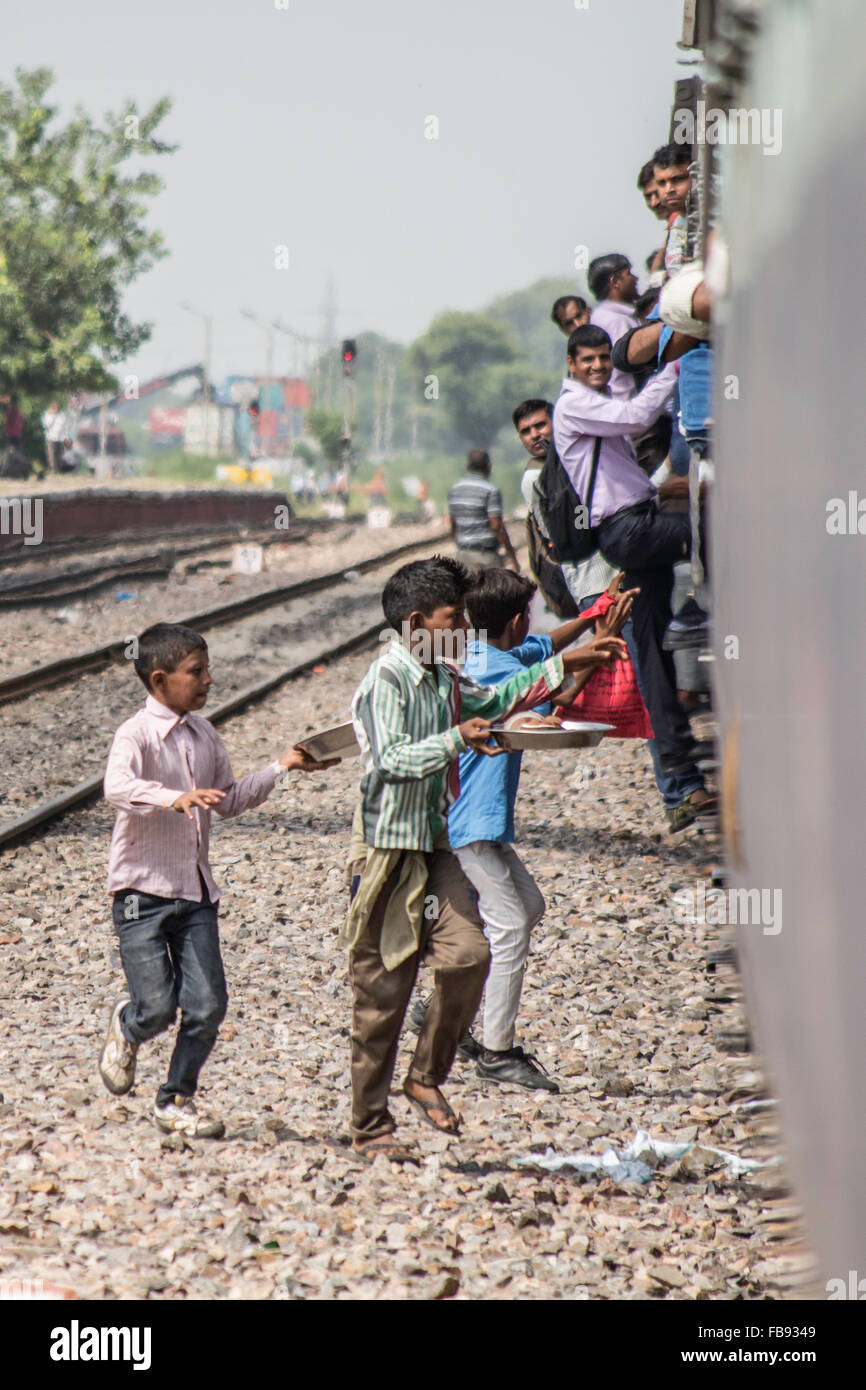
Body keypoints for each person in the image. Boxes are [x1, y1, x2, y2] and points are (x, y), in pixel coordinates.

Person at [341, 556, 625, 1162]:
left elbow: (492, 697)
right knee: (383, 992)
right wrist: (456, 738)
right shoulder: (384, 681)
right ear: (419, 622)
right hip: (389, 851)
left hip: (436, 844)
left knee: (470, 955)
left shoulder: (445, 675)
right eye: (454, 621)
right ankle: (371, 1127)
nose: (465, 633)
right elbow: (391, 761)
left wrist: (565, 663)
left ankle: (424, 1074)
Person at [99, 622, 336, 1137]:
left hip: (197, 894)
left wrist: (284, 765)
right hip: (141, 893)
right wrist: (172, 797)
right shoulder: (135, 734)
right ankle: (128, 1025)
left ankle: (175, 1100)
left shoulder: (203, 733)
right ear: (159, 679)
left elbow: (227, 800)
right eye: (196, 672)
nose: (209, 681)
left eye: (207, 669)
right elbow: (116, 787)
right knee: (158, 1010)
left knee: (207, 1007)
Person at [445, 567, 633, 1090]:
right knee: (509, 924)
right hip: (468, 825)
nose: (533, 626)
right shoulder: (498, 675)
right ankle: (496, 1052)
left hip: (482, 823)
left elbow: (545, 647)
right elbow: (558, 702)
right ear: (515, 619)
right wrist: (599, 645)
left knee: (527, 907)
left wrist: (592, 621)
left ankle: (440, 1011)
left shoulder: (494, 652)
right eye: (527, 615)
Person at [552, 324, 712, 787]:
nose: (599, 365)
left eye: (604, 357)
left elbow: (633, 401)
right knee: (713, 533)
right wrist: (678, 359)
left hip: (636, 523)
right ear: (571, 364)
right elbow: (639, 415)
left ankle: (680, 776)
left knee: (653, 657)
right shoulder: (574, 404)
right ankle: (701, 612)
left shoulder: (597, 399)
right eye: (588, 360)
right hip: (628, 531)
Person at [448, 449, 519, 571]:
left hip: (462, 555)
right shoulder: (491, 490)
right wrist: (511, 556)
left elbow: (453, 522)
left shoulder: (455, 489)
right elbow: (497, 526)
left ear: (467, 466)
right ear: (488, 466)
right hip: (486, 557)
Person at [653, 143, 693, 277]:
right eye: (662, 183)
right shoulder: (676, 223)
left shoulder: (714, 220)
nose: (669, 189)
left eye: (677, 179)